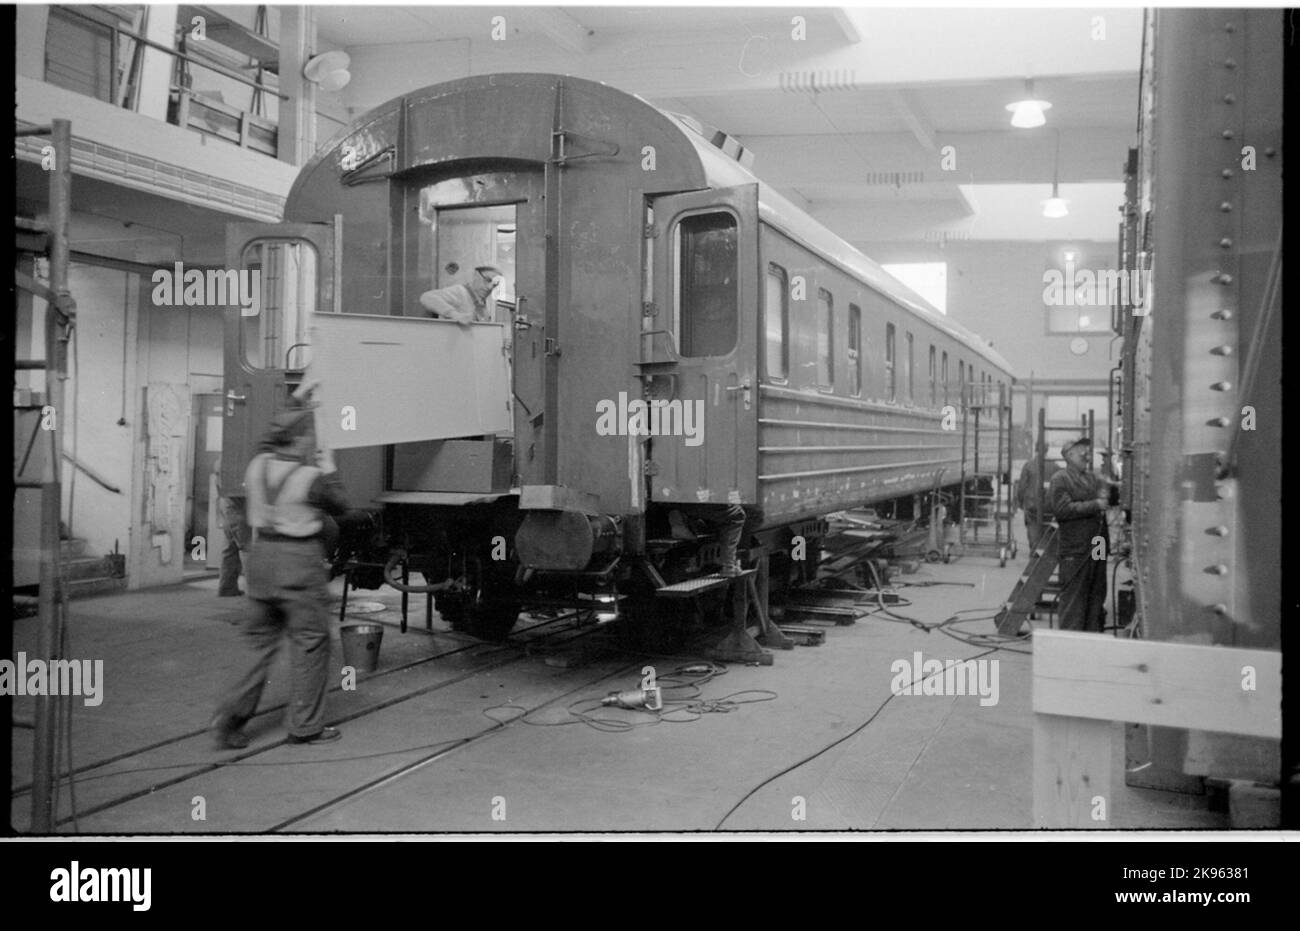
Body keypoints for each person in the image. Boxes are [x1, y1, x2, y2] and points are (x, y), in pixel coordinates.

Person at [210, 400, 350, 748]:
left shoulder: (257, 465)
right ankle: (305, 727)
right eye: (308, 436)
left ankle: (229, 719)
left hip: (260, 560)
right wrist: (329, 467)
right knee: (311, 642)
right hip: (298, 563)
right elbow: (342, 507)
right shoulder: (311, 478)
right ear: (300, 440)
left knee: (258, 645)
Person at [1049, 437, 1110, 632]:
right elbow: (1062, 510)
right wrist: (1096, 505)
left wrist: (1109, 480)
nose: (1086, 453)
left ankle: (1092, 640)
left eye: (1087, 449)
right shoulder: (1061, 479)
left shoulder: (1092, 477)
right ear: (1068, 455)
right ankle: (1069, 645)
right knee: (1075, 599)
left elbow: (1110, 491)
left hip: (1098, 546)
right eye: (1081, 449)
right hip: (1076, 550)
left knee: (1097, 594)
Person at [213, 455, 248, 597]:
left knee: (230, 550)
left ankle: (227, 588)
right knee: (248, 549)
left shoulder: (220, 461)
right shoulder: (232, 462)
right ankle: (257, 593)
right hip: (237, 511)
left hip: (226, 508)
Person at [418, 265, 503, 324]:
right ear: (476, 275)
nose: (489, 287)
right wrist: (454, 315)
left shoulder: (482, 304)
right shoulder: (460, 292)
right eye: (487, 280)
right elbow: (427, 297)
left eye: (494, 285)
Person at [1014, 453, 1056, 552]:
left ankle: (1034, 550)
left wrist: (1020, 501)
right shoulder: (1055, 466)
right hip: (1048, 503)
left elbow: (1022, 485)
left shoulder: (1028, 465)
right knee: (1046, 526)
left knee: (1032, 526)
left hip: (1031, 503)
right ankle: (1044, 550)